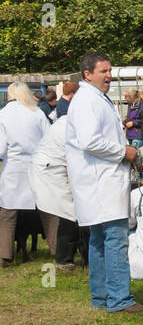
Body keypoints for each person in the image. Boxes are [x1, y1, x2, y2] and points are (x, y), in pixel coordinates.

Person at [65, 50, 143, 313]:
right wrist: (125, 151)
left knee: (100, 240)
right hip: (100, 181)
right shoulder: (87, 101)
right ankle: (119, 299)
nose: (109, 76)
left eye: (110, 71)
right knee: (114, 239)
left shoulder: (94, 98)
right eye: (103, 72)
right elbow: (90, 141)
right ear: (87, 74)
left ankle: (101, 296)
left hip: (100, 180)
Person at [0, 82, 51, 267]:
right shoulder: (36, 112)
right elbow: (49, 138)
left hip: (13, 169)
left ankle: (5, 254)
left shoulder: (3, 114)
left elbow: (0, 147)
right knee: (48, 210)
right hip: (37, 167)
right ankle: (58, 251)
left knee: (7, 214)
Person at [29, 111, 81, 269]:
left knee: (72, 214)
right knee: (72, 214)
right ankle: (65, 258)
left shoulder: (67, 121)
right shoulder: (74, 125)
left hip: (54, 168)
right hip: (52, 171)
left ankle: (66, 256)